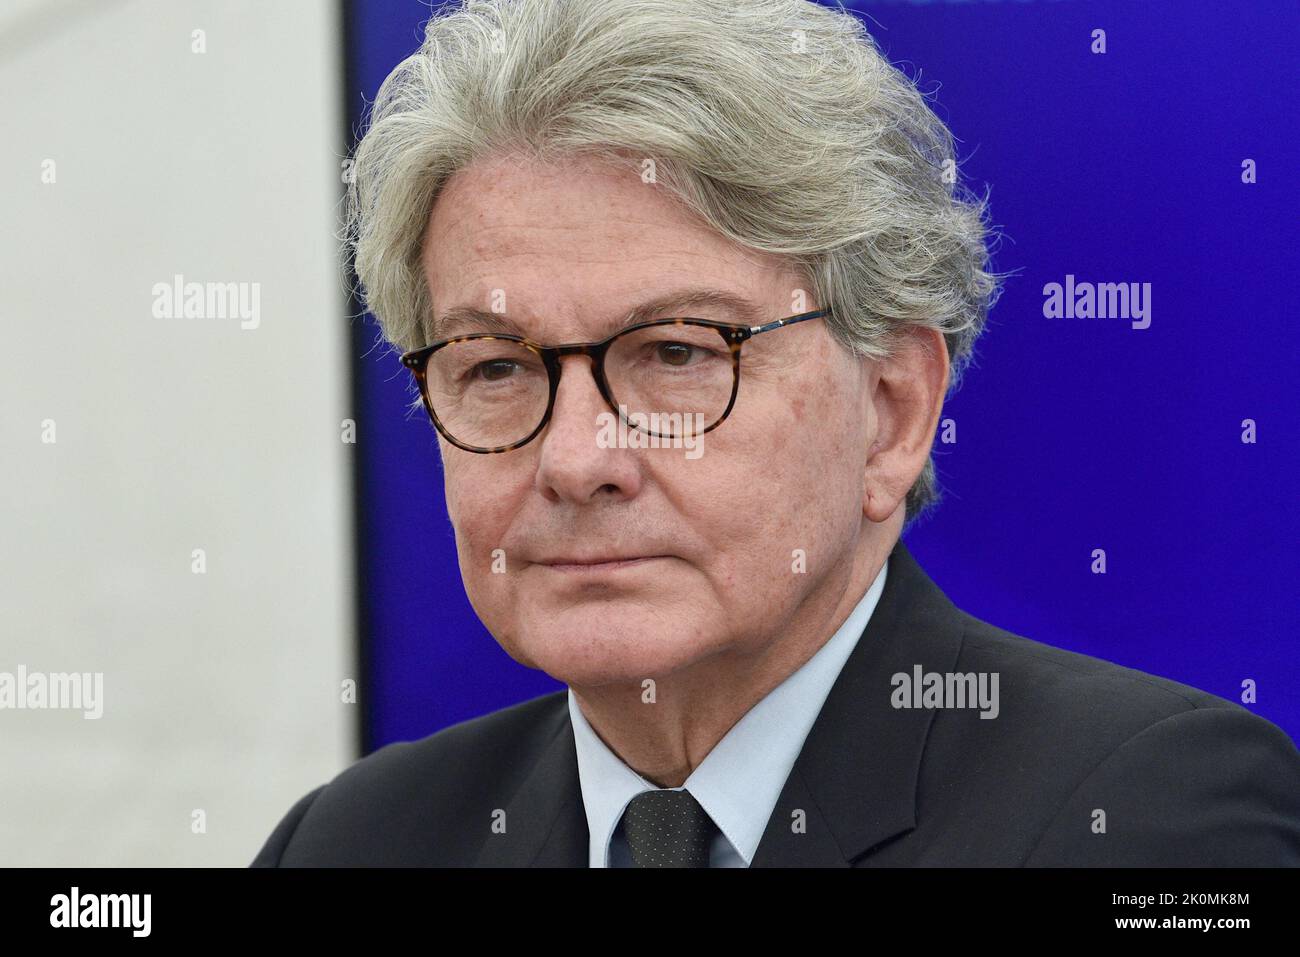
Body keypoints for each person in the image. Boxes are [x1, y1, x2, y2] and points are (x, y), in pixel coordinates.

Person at [252, 0, 1300, 867]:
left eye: (674, 353)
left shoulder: (1144, 815)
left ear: (891, 412)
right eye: (495, 366)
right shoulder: (355, 842)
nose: (574, 461)